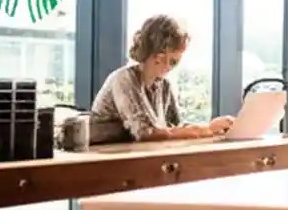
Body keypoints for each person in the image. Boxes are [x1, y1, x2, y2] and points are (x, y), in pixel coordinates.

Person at [90, 14, 234, 143]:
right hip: (102, 159)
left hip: (133, 156)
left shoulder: (163, 86)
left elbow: (174, 127)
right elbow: (145, 133)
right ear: (159, 57)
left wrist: (213, 128)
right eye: (173, 61)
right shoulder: (124, 79)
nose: (173, 67)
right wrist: (205, 130)